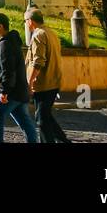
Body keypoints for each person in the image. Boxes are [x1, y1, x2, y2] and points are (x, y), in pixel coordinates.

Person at [0, 12, 37, 143]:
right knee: (24, 121)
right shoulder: (12, 39)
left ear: (0, 26)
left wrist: (4, 91)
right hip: (20, 90)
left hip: (12, 91)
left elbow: (8, 70)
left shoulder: (5, 43)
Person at [25, 8, 70, 143]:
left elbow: (38, 61)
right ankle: (64, 140)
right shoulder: (51, 33)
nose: (26, 24)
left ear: (30, 21)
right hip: (53, 81)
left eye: (25, 21)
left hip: (43, 83)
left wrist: (30, 82)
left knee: (42, 119)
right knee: (46, 115)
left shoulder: (39, 34)